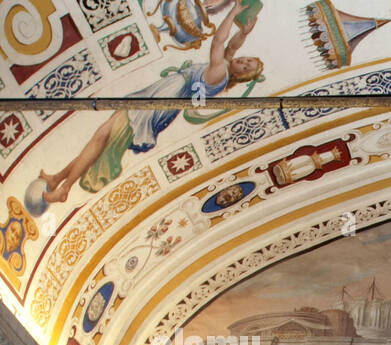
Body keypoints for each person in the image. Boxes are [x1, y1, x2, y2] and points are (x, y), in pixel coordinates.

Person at [37, 2, 263, 206]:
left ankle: (65, 189)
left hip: (164, 98)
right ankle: (59, 179)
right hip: (165, 95)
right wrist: (243, 33)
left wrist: (233, 12)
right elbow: (231, 47)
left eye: (246, 67)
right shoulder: (225, 66)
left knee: (104, 134)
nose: (243, 61)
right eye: (247, 59)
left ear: (241, 77)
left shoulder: (218, 72)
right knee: (104, 135)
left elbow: (219, 41)